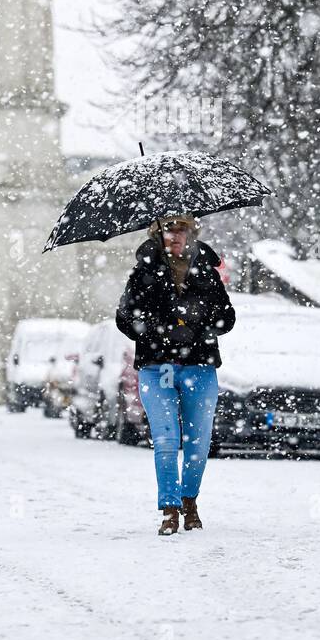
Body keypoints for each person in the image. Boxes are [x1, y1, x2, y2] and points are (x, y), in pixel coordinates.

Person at [115, 213, 236, 535]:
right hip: (158, 368)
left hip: (199, 366)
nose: (175, 236)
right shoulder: (143, 274)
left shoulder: (207, 274)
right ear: (157, 234)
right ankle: (169, 509)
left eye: (181, 230)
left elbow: (227, 318)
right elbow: (125, 319)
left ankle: (189, 501)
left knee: (198, 443)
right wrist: (160, 331)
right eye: (168, 230)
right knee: (166, 440)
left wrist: (195, 326)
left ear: (191, 234)